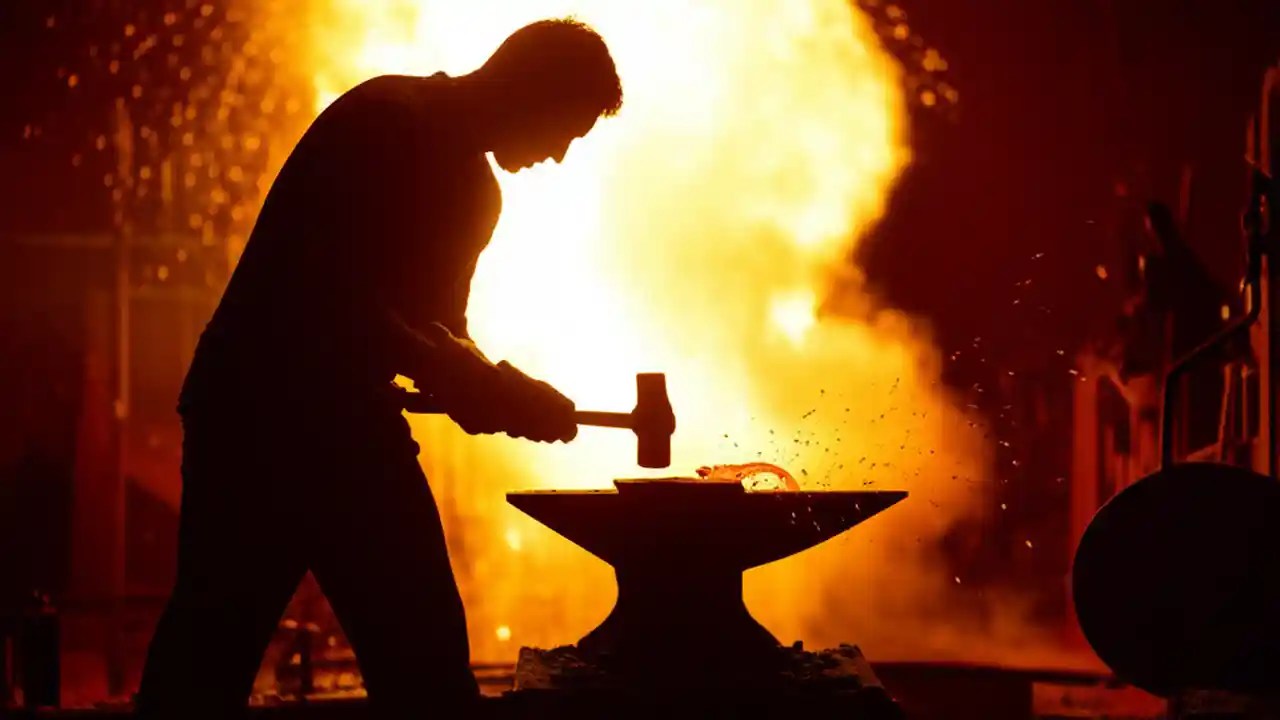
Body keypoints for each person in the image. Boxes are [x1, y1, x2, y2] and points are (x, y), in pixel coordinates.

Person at [135, 18, 622, 718]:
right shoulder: (387, 124)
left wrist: (502, 389)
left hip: (347, 426)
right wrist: (474, 382)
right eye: (565, 131)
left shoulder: (476, 195)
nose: (559, 156)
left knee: (422, 664)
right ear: (530, 88)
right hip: (258, 421)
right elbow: (334, 295)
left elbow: (436, 334)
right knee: (210, 660)